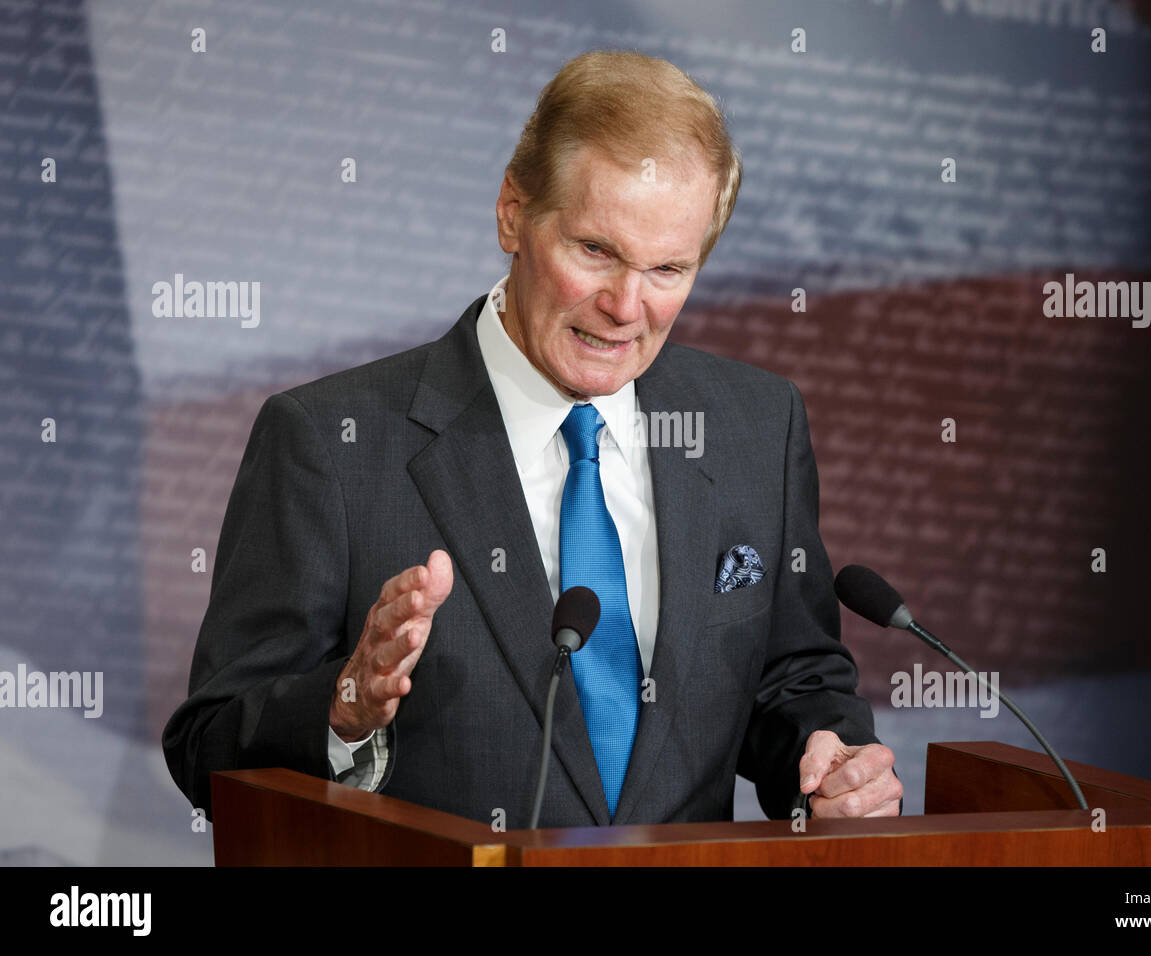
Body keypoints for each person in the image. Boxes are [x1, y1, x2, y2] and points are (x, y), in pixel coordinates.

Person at [163, 49, 901, 828]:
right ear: (514, 212)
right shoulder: (331, 445)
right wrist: (346, 705)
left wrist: (829, 758)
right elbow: (208, 747)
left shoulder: (755, 424)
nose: (626, 306)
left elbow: (794, 678)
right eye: (596, 251)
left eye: (668, 270)